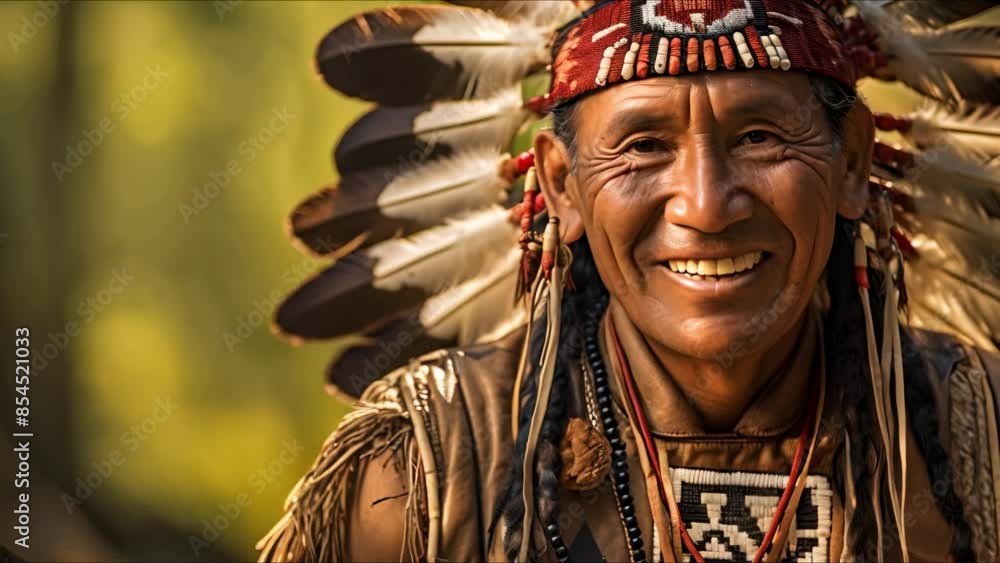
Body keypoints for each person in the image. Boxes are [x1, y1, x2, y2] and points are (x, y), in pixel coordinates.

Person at [258, 1, 1000, 561]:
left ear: (854, 165)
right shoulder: (427, 475)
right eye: (644, 146)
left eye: (760, 137)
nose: (705, 206)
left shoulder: (983, 446)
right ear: (562, 186)